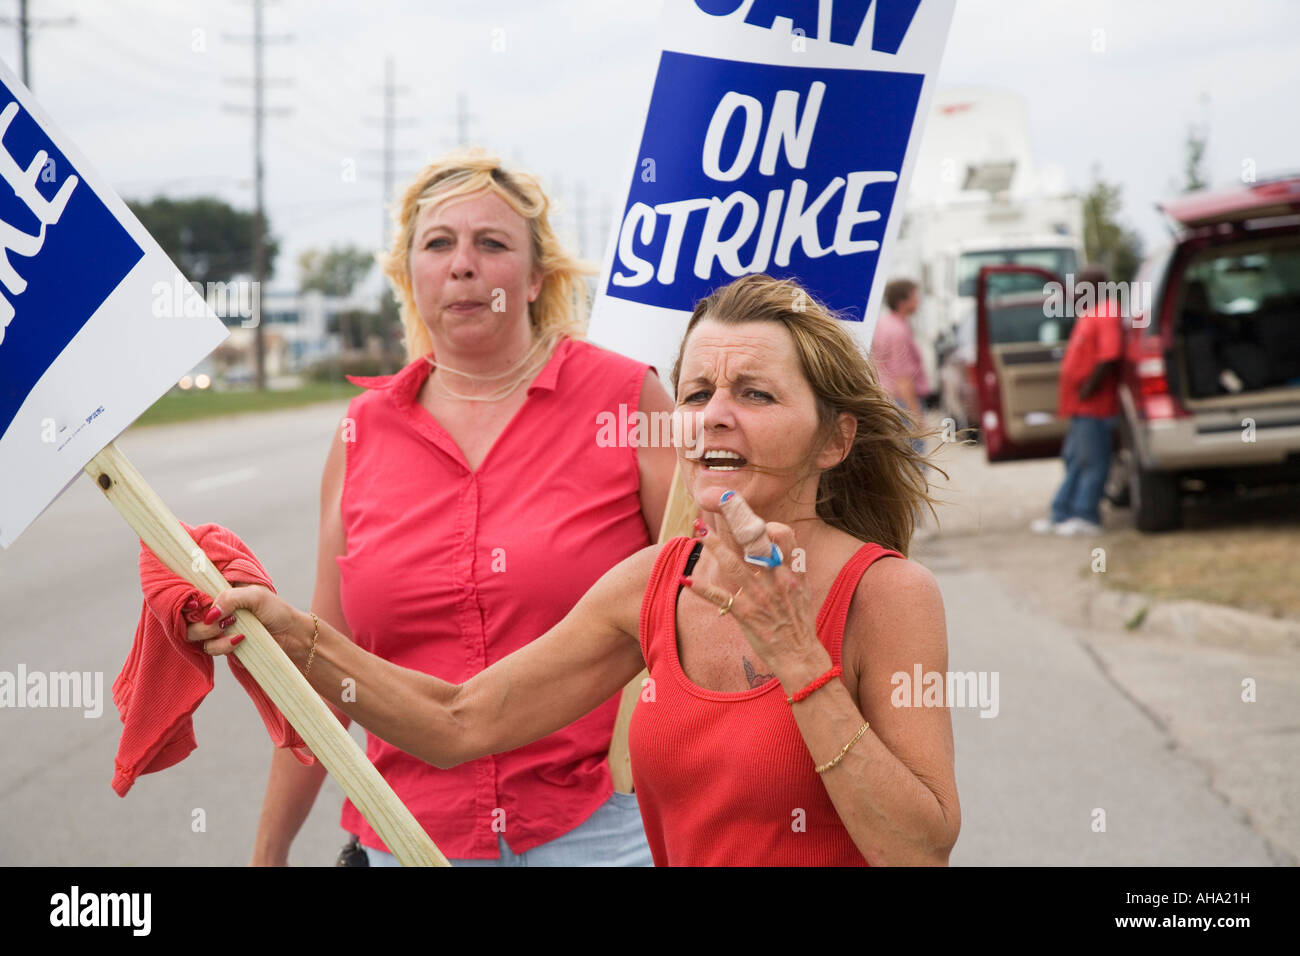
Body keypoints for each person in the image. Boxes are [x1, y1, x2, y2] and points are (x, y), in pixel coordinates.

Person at [195, 273, 960, 866]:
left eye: (755, 394)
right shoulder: (652, 582)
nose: (715, 415)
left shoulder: (886, 595)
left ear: (835, 439)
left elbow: (919, 849)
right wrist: (300, 639)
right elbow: (461, 720)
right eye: (696, 393)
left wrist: (797, 655)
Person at [187, 147, 677, 866]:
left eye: (492, 243)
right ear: (410, 276)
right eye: (439, 244)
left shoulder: (628, 399)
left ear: (537, 277)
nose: (463, 264)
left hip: (601, 828)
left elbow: (706, 608)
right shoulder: (364, 430)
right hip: (405, 835)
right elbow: (323, 674)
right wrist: (269, 855)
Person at [1031, 265, 1122, 536]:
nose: (1075, 292)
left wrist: (1089, 388)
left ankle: (1086, 515)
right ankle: (1062, 513)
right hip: (1080, 408)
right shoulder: (1091, 313)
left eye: (1081, 286)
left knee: (1091, 461)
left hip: (1095, 407)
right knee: (1074, 458)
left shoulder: (1106, 312)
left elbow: (1109, 356)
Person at [872, 278, 931, 455]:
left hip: (886, 398)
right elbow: (902, 378)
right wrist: (916, 416)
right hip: (901, 401)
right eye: (915, 297)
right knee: (914, 459)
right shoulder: (898, 331)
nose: (918, 301)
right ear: (902, 302)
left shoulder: (883, 323)